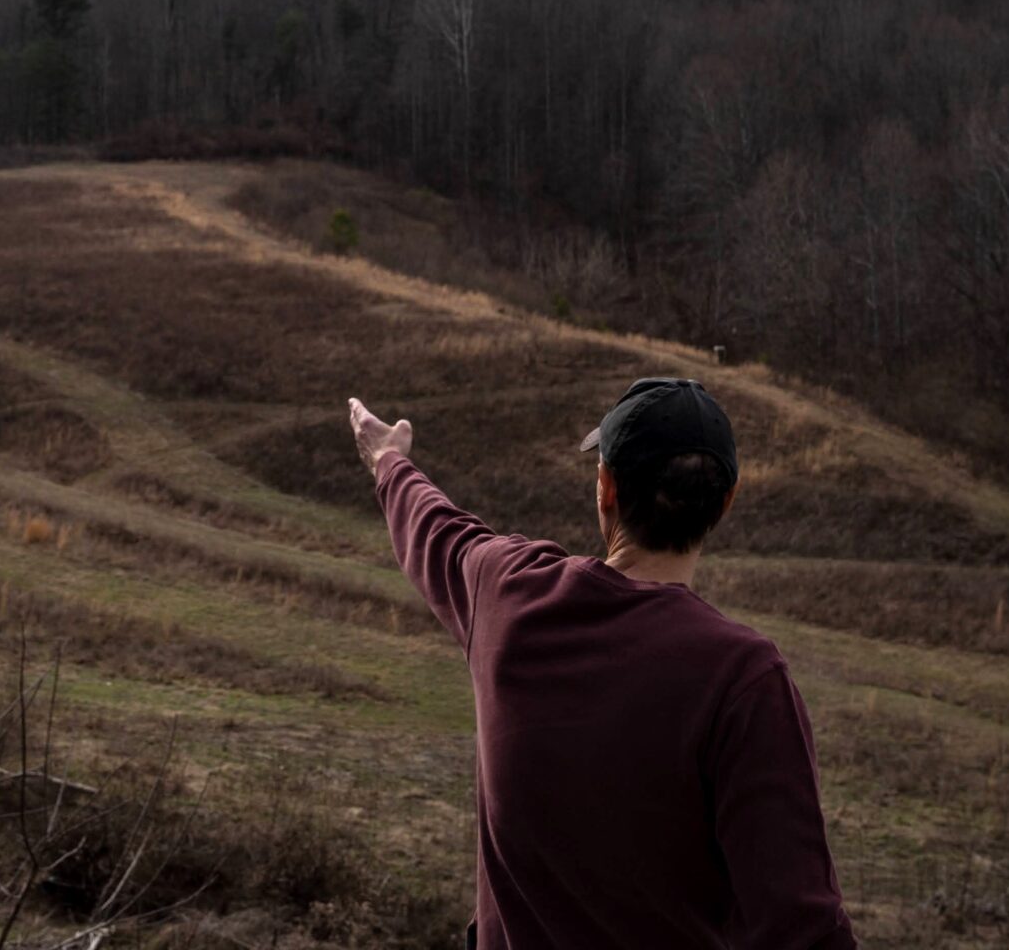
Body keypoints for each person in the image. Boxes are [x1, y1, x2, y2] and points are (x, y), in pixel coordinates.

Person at [348, 379, 857, 949]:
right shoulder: (745, 680)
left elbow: (434, 528)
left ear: (605, 487)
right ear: (727, 502)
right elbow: (803, 930)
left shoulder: (510, 595)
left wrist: (389, 460)